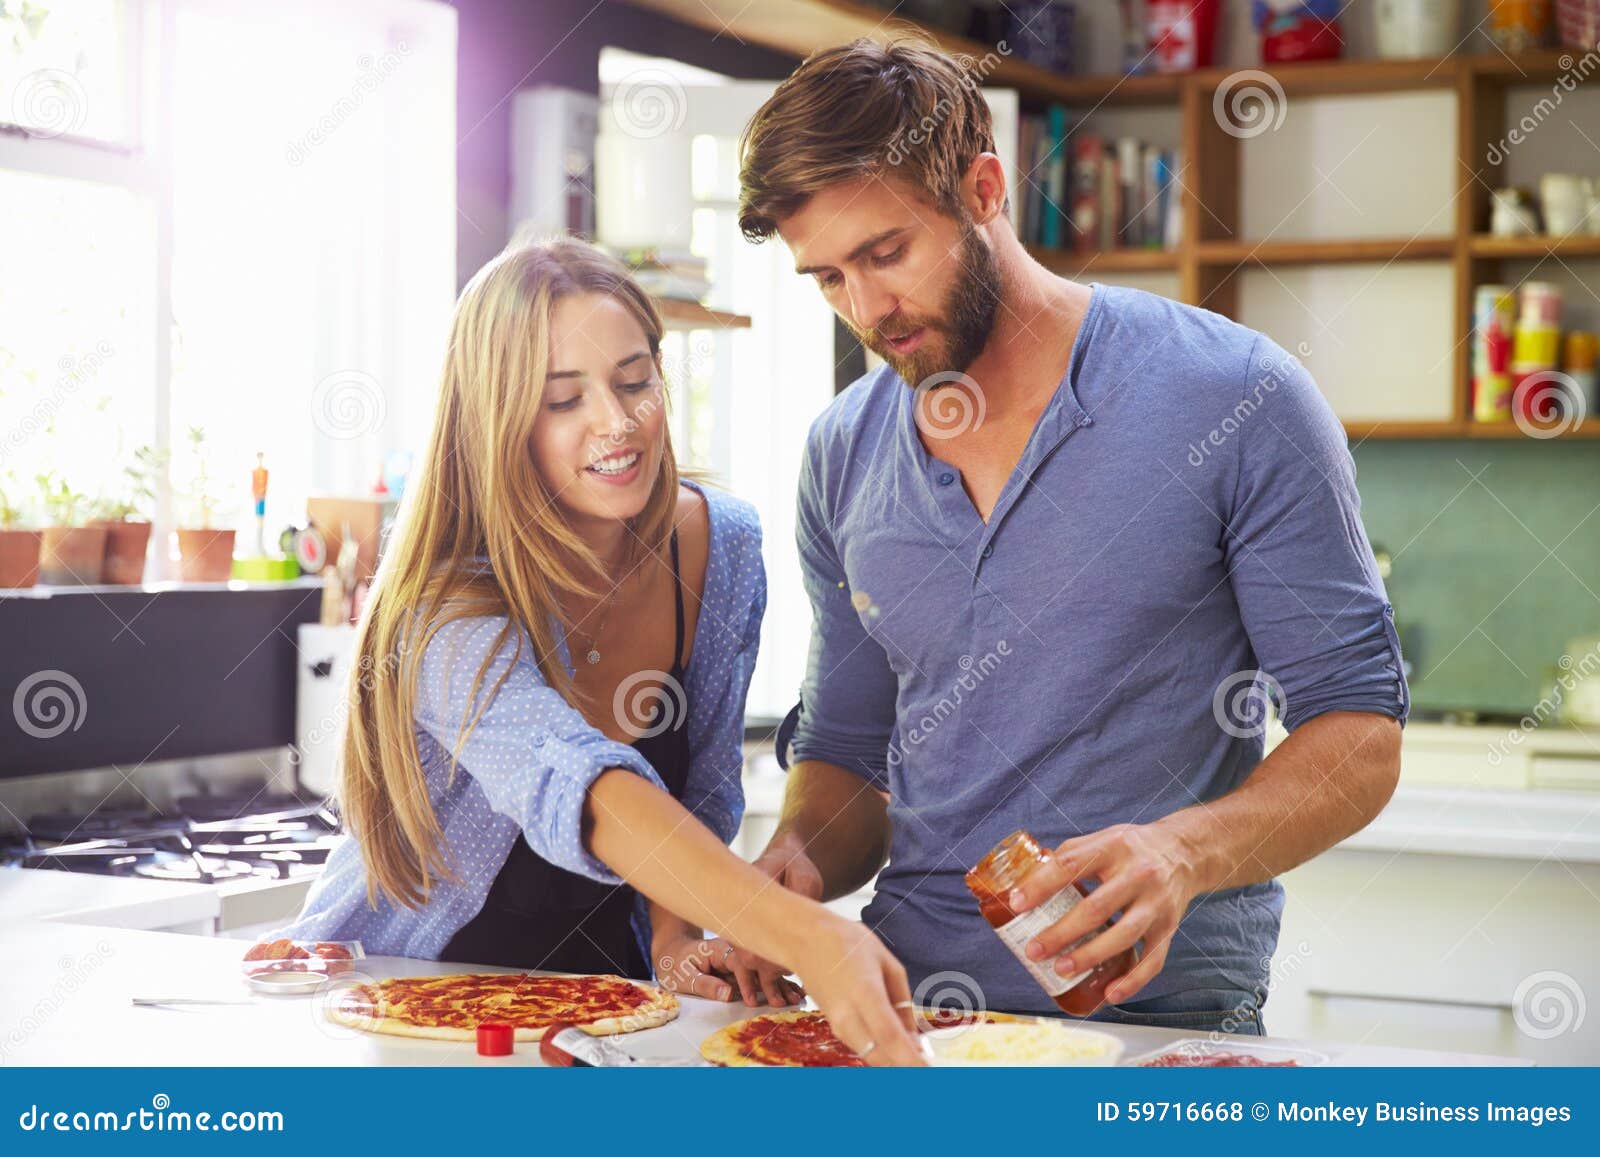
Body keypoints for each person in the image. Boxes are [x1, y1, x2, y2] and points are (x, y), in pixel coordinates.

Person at [738, 40, 1408, 1034]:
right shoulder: (843, 451)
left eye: (887, 253)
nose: (866, 310)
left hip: (1161, 1024)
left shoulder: (1235, 394)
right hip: (911, 1022)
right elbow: (849, 753)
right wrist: (790, 867)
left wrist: (1180, 850)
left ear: (984, 188)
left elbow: (1358, 736)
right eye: (828, 277)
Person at [281, 239, 923, 1064]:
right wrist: (810, 938)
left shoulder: (719, 547)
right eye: (562, 399)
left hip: (604, 1015)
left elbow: (700, 794)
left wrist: (677, 942)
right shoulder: (442, 599)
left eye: (633, 380)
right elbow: (575, 780)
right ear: (497, 420)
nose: (617, 423)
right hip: (411, 1003)